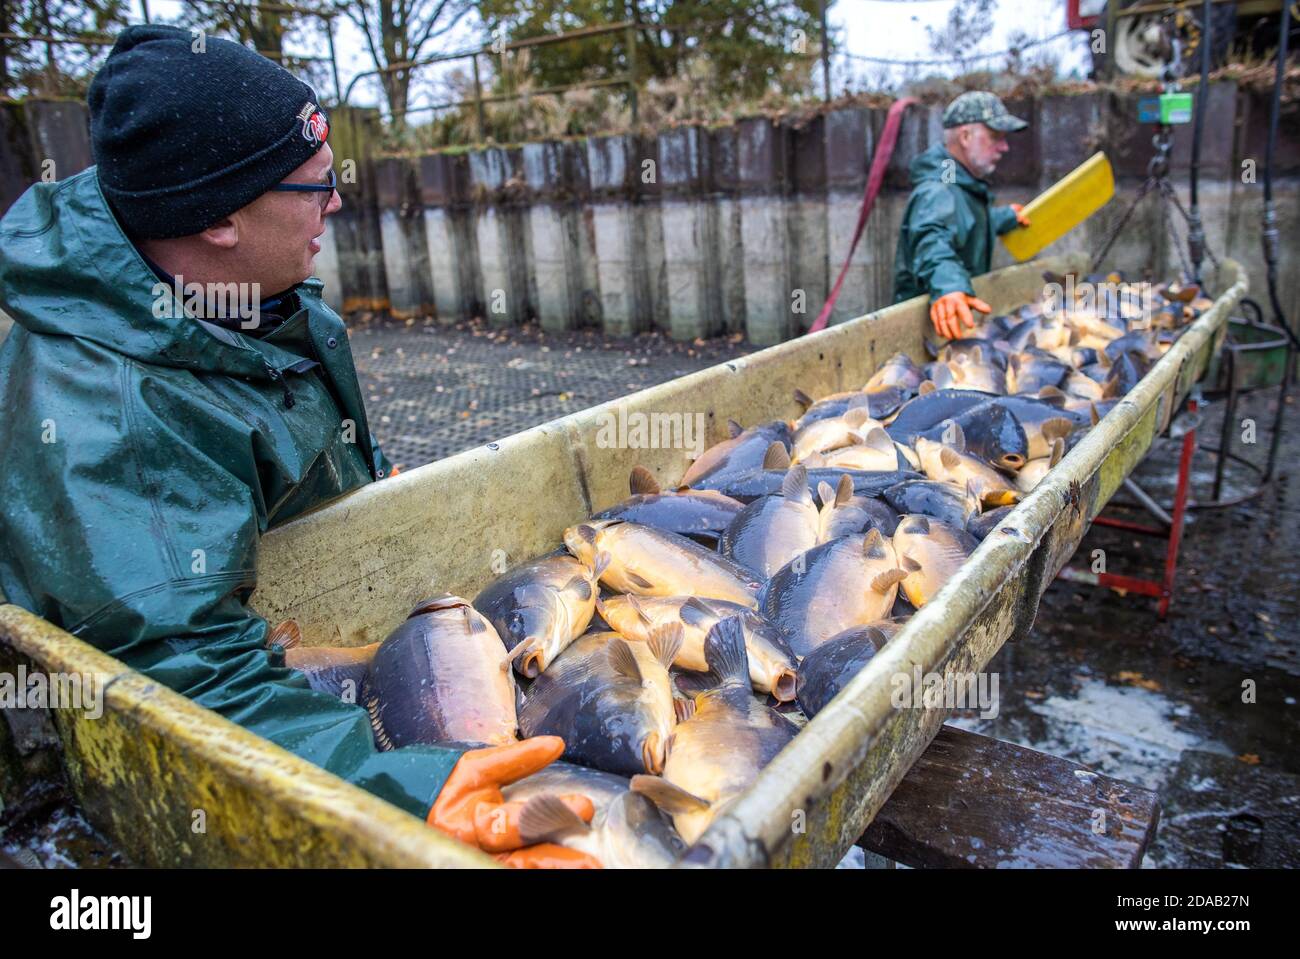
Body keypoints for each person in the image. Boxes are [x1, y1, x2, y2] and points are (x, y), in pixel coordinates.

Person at [0, 26, 595, 868]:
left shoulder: (228, 283)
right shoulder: (111, 424)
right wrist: (402, 794)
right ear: (217, 220)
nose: (339, 202)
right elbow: (185, 678)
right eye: (313, 186)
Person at [893, 91, 1032, 340]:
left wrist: (1002, 218)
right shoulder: (939, 188)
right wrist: (949, 286)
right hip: (928, 331)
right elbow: (932, 238)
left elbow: (960, 221)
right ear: (965, 136)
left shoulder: (959, 182)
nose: (1004, 147)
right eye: (995, 136)